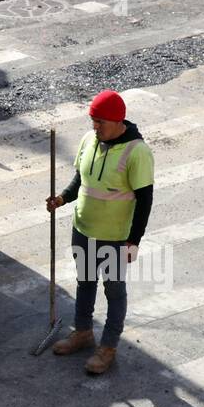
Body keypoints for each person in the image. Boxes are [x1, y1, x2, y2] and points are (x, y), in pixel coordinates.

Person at [45, 89, 155, 374]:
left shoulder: (137, 152)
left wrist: (134, 240)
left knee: (114, 291)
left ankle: (107, 348)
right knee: (85, 283)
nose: (95, 128)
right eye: (93, 122)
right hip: (83, 228)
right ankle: (83, 333)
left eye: (100, 123)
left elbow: (145, 200)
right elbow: (81, 179)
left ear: (118, 121)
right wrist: (62, 199)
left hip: (115, 238)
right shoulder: (89, 140)